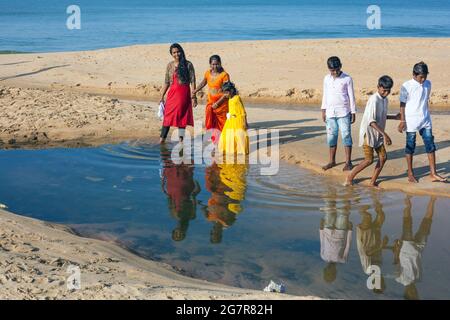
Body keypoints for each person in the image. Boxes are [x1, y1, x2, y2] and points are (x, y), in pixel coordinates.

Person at [344, 75, 399, 187]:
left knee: (383, 158)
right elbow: (371, 121)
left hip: (378, 134)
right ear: (378, 87)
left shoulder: (385, 100)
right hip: (368, 134)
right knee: (368, 160)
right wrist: (385, 135)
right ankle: (349, 177)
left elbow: (381, 116)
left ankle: (372, 182)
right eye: (384, 90)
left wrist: (395, 117)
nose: (386, 93)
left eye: (388, 91)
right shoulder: (374, 100)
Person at [397, 61, 446, 183]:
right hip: (411, 121)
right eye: (421, 77)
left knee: (430, 145)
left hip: (425, 120)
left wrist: (426, 115)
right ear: (414, 74)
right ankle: (410, 173)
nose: (423, 79)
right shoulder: (406, 86)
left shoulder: (428, 84)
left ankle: (433, 173)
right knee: (410, 147)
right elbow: (402, 105)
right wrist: (403, 120)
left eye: (425, 76)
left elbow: (424, 100)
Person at [393, 196, 436, 300]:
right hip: (418, 248)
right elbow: (419, 262)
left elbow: (396, 261)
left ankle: (407, 200)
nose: (414, 291)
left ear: (406, 292)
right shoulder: (418, 279)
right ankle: (433, 199)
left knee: (407, 222)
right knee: (427, 221)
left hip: (406, 248)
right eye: (416, 294)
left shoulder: (399, 279)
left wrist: (396, 246)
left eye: (411, 294)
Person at [321, 56, 357, 172]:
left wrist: (353, 112)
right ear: (328, 69)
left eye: (337, 69)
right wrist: (323, 110)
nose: (335, 72)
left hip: (344, 112)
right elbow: (325, 95)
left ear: (341, 66)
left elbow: (351, 96)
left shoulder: (347, 79)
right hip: (330, 113)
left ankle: (348, 162)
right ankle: (332, 161)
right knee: (332, 137)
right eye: (332, 70)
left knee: (346, 136)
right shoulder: (326, 79)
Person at [160, 145, 200, 241]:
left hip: (177, 188)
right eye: (180, 234)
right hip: (180, 188)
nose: (179, 231)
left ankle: (177, 149)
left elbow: (170, 200)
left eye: (177, 233)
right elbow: (193, 199)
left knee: (177, 166)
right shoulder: (190, 215)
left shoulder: (175, 214)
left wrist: (163, 187)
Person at [159, 43, 197, 144]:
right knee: (167, 117)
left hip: (183, 94)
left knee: (182, 118)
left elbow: (193, 81)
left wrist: (194, 97)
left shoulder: (188, 64)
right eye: (174, 52)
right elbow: (166, 82)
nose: (177, 54)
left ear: (181, 51)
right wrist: (161, 96)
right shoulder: (170, 65)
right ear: (171, 54)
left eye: (178, 51)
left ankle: (181, 141)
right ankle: (162, 139)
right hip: (172, 94)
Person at [192, 55, 230, 143]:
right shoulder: (207, 73)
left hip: (221, 104)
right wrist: (195, 90)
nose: (215, 66)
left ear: (220, 64)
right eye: (213, 64)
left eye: (217, 64)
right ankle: (215, 139)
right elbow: (203, 82)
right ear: (210, 65)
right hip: (210, 102)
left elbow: (227, 92)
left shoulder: (224, 75)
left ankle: (223, 140)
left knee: (222, 123)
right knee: (211, 121)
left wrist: (218, 103)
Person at [319, 186, 353, 283]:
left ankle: (331, 187)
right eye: (331, 273)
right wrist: (350, 231)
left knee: (329, 208)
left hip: (327, 229)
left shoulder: (323, 256)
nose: (330, 271)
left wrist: (320, 229)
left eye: (327, 273)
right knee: (343, 211)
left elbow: (322, 241)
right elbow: (347, 245)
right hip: (341, 231)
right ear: (335, 272)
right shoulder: (342, 260)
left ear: (325, 270)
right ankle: (348, 190)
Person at [218, 82, 249, 156]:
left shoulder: (236, 98)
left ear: (231, 91)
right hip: (230, 120)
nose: (225, 95)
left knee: (239, 136)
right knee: (226, 136)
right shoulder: (229, 99)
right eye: (224, 93)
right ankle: (228, 150)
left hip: (238, 120)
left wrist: (245, 122)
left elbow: (242, 111)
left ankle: (241, 151)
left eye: (226, 93)